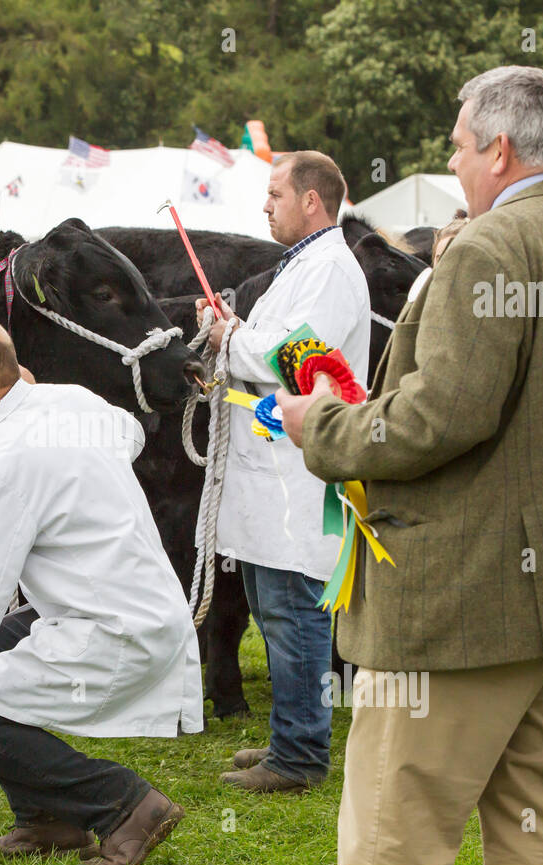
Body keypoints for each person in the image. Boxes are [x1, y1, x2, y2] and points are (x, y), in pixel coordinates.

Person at [277, 66, 543, 865]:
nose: (454, 164)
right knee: (534, 819)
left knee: (396, 831)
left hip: (467, 610)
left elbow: (438, 418)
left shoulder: (491, 244)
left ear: (499, 150)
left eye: (459, 147)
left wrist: (316, 423)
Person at [0, 314, 203, 865]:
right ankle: (48, 821)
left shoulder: (1, 467)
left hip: (117, 629)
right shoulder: (70, 402)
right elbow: (128, 433)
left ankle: (128, 807)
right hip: (131, 606)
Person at [195, 151, 370, 793]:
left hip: (299, 476)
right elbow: (272, 340)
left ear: (312, 202)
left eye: (274, 194)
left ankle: (298, 756)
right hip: (277, 472)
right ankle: (290, 735)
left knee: (295, 611)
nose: (264, 206)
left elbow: (299, 358)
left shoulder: (329, 270)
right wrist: (232, 328)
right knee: (278, 608)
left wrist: (227, 340)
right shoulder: (308, 264)